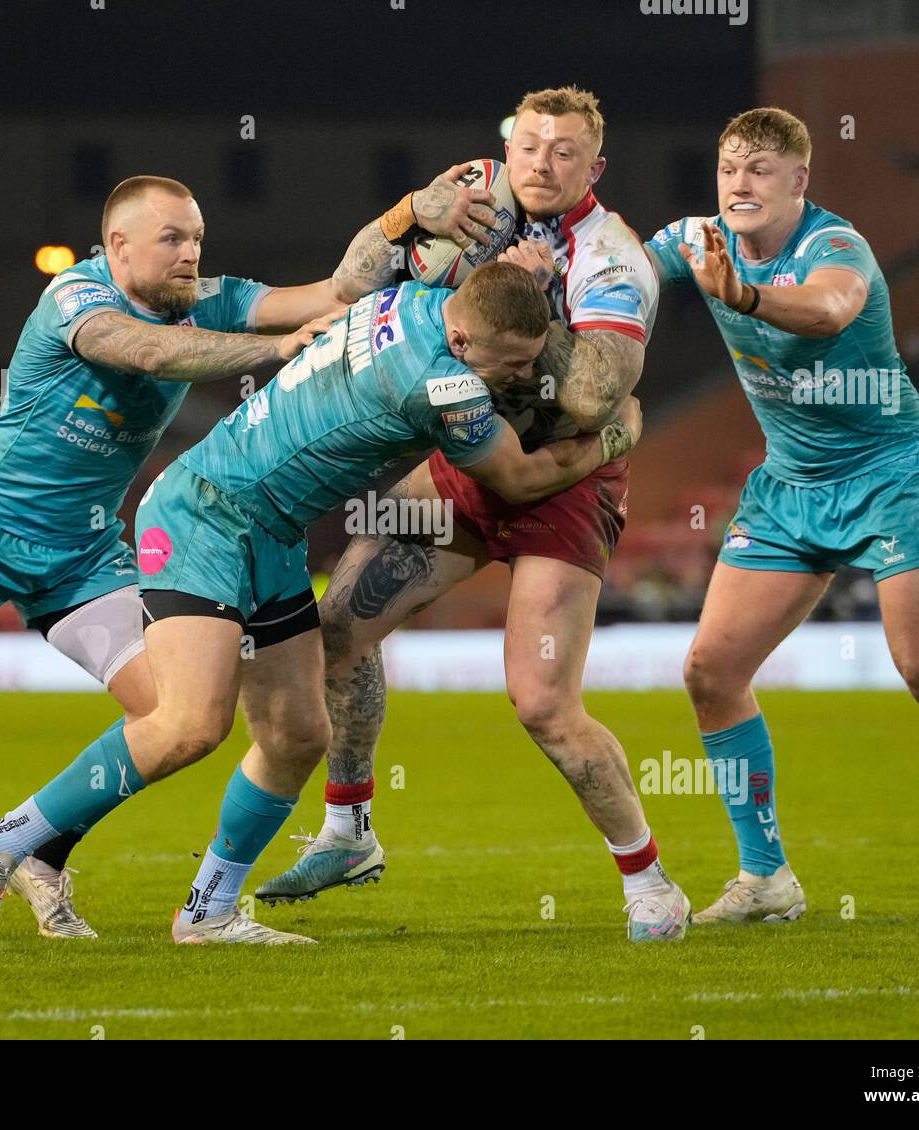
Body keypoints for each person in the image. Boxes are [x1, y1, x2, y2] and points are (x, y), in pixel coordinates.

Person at [0, 261, 641, 952]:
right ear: (463, 342)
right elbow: (518, 480)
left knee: (298, 735)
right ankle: (1, 842)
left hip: (269, 529)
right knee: (188, 726)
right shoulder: (446, 384)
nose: (521, 377)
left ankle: (208, 912)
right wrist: (609, 438)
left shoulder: (414, 298)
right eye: (512, 362)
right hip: (204, 513)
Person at [258, 86, 691, 942]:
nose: (540, 162)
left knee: (541, 704)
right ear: (510, 142)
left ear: (592, 167)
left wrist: (523, 290)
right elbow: (347, 287)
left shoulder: (610, 258)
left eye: (564, 151)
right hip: (465, 463)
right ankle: (349, 832)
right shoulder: (472, 195)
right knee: (336, 631)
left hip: (564, 480)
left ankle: (650, 883)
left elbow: (599, 396)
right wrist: (404, 215)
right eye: (530, 143)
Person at [645, 107, 919, 927]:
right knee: (710, 673)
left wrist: (745, 295)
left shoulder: (838, 246)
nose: (740, 182)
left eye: (760, 169)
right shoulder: (696, 239)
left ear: (800, 181)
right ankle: (767, 881)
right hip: (790, 486)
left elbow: (828, 311)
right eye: (728, 168)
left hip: (890, 476)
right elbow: (613, 263)